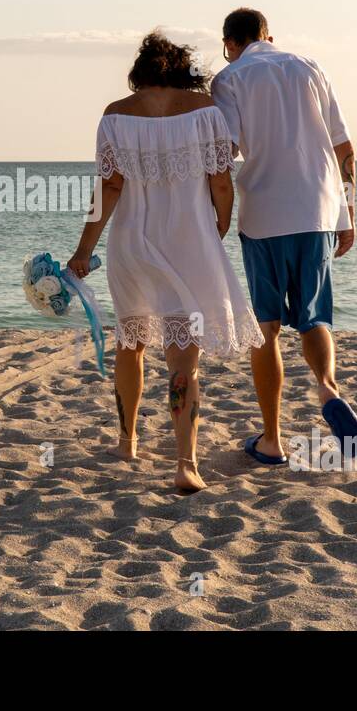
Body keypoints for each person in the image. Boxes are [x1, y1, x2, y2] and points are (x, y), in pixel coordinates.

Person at [69, 31, 264, 492]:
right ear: (182, 69)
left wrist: (83, 249)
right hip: (189, 243)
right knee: (184, 360)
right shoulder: (206, 113)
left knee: (130, 341)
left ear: (140, 71)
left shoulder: (115, 116)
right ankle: (185, 463)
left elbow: (109, 188)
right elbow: (220, 181)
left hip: (132, 244)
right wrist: (218, 225)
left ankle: (127, 440)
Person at [210, 8, 357, 466]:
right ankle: (327, 387)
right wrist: (348, 211)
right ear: (269, 36)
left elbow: (225, 151)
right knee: (315, 317)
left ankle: (273, 440)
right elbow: (345, 148)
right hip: (319, 209)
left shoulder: (230, 77)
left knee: (267, 328)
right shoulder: (310, 67)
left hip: (263, 213)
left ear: (229, 44)